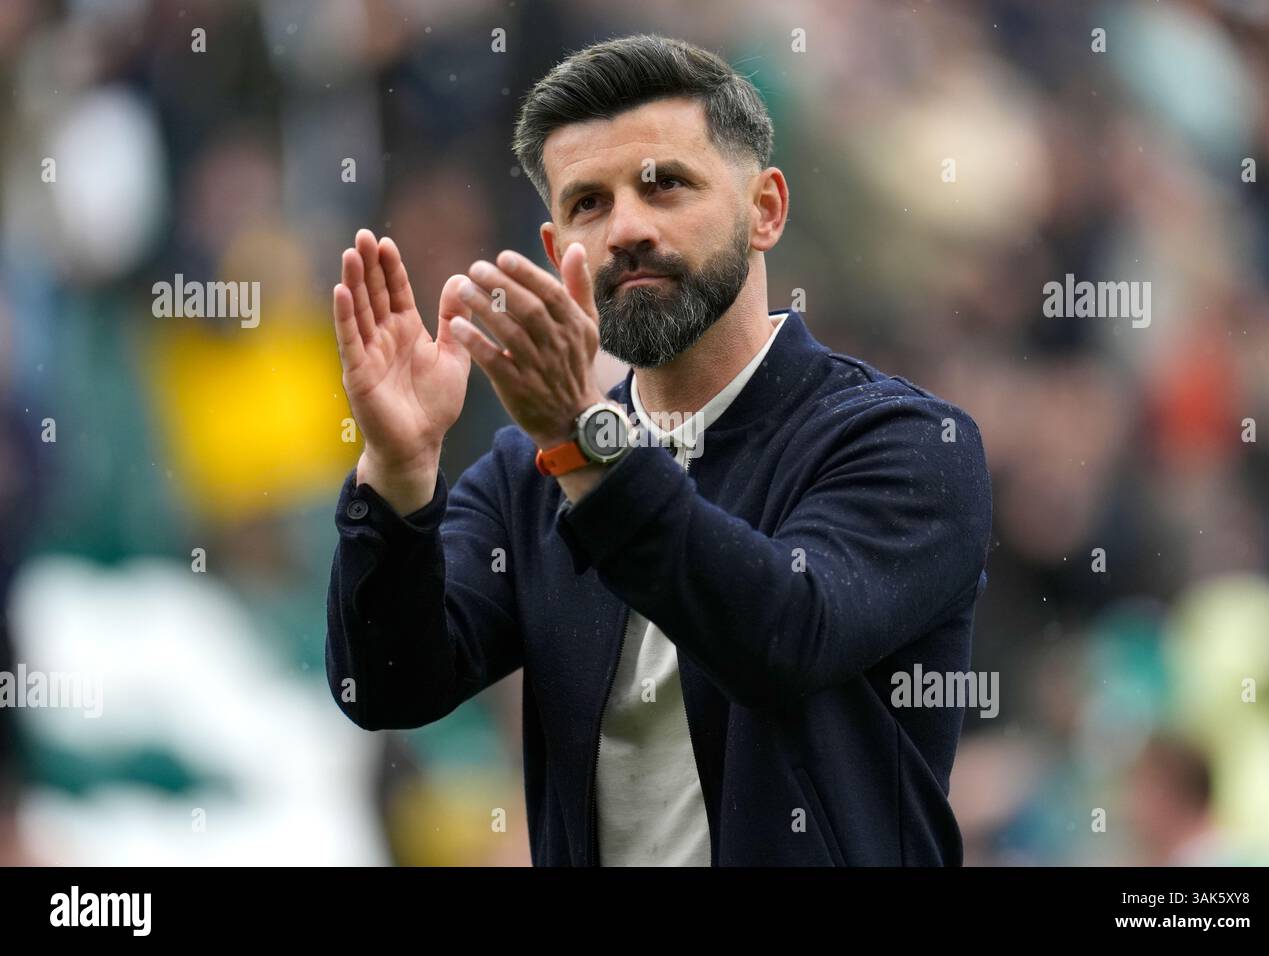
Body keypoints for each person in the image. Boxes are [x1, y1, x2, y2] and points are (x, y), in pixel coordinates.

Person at [325, 34, 992, 866]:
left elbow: (779, 638)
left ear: (766, 210)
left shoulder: (905, 442)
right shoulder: (525, 473)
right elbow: (388, 684)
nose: (627, 229)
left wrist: (585, 444)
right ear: (555, 247)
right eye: (588, 204)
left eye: (666, 185)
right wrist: (397, 467)